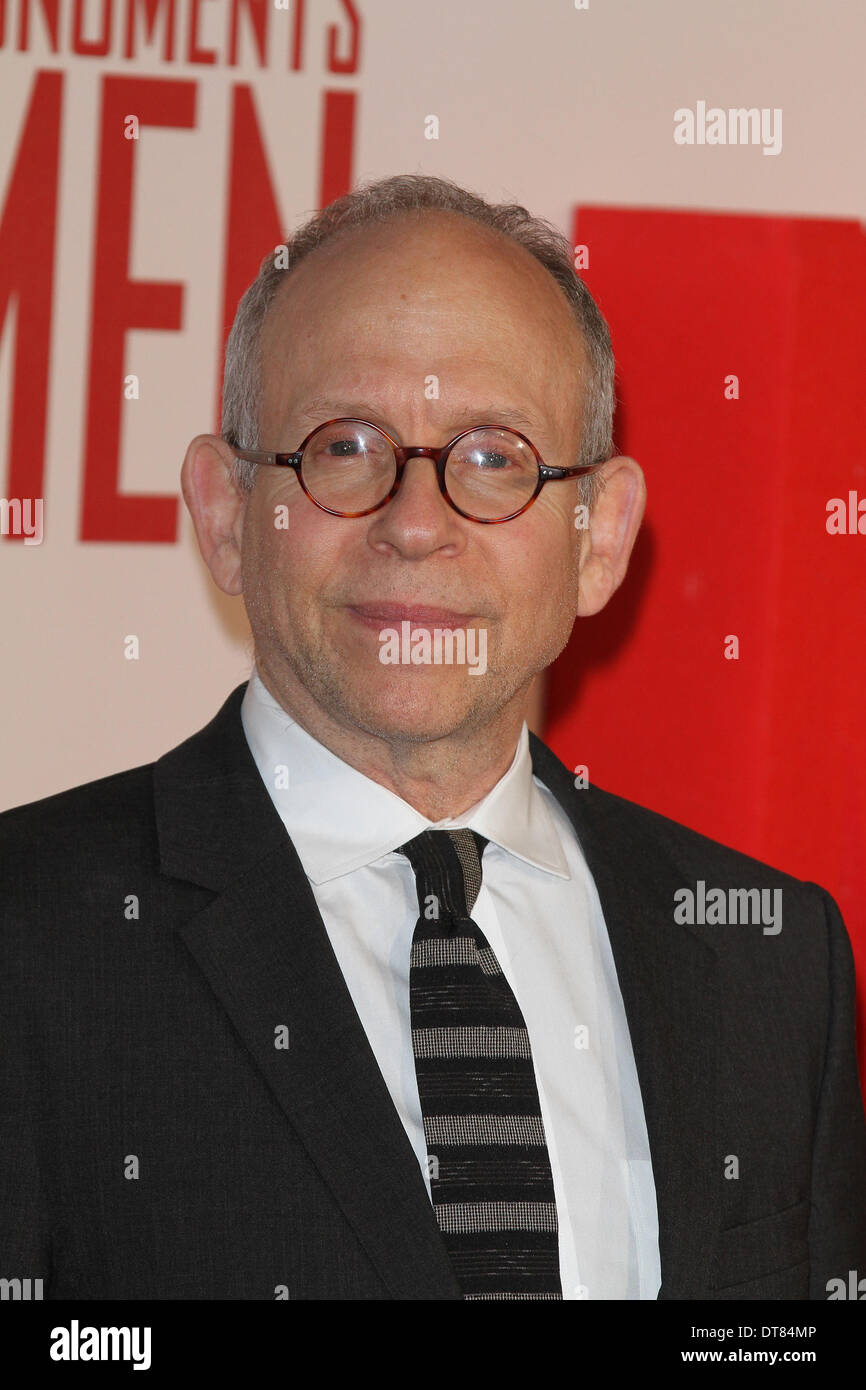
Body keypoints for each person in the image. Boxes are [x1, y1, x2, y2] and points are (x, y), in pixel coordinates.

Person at [1, 174, 864, 1301]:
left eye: (494, 457)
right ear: (224, 515)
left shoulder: (767, 959)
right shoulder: (31, 942)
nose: (415, 524)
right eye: (344, 445)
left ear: (598, 535)